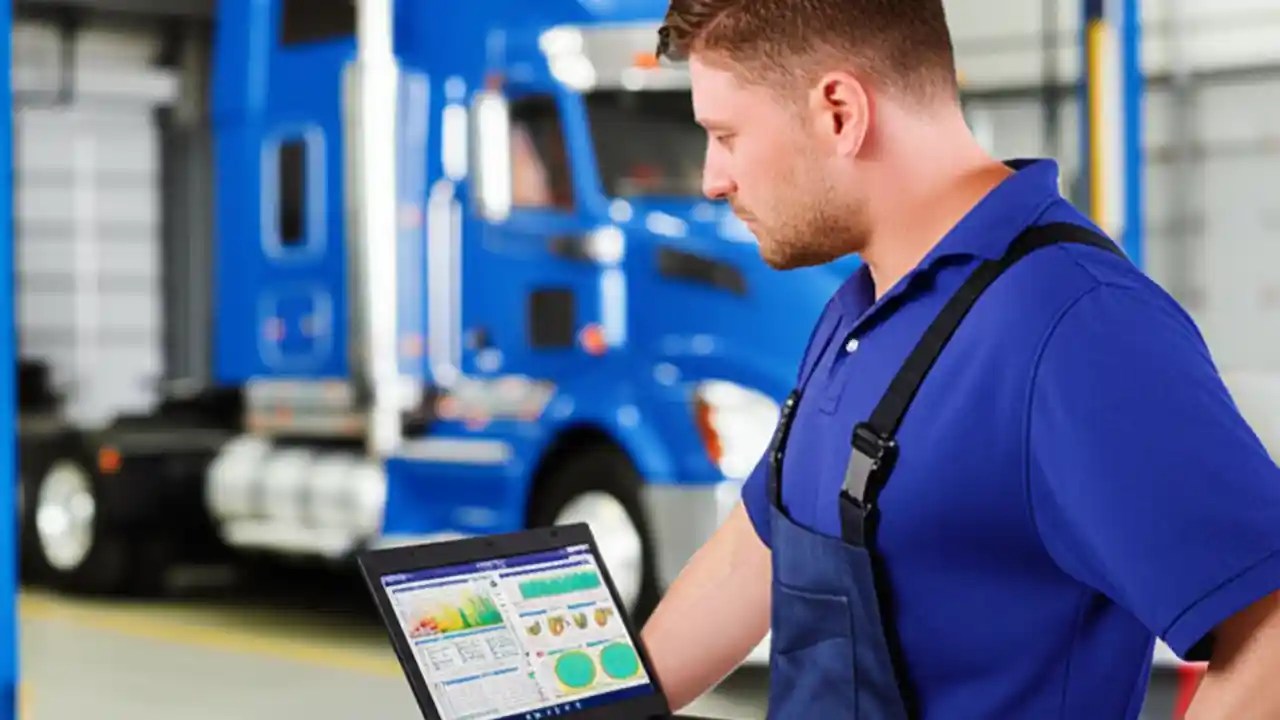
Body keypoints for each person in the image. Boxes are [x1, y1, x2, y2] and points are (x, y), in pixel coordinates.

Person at [637, 1, 1280, 718]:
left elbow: (1273, 634)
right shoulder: (864, 306)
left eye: (725, 135)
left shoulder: (1073, 326)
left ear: (840, 112)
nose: (712, 179)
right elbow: (759, 547)